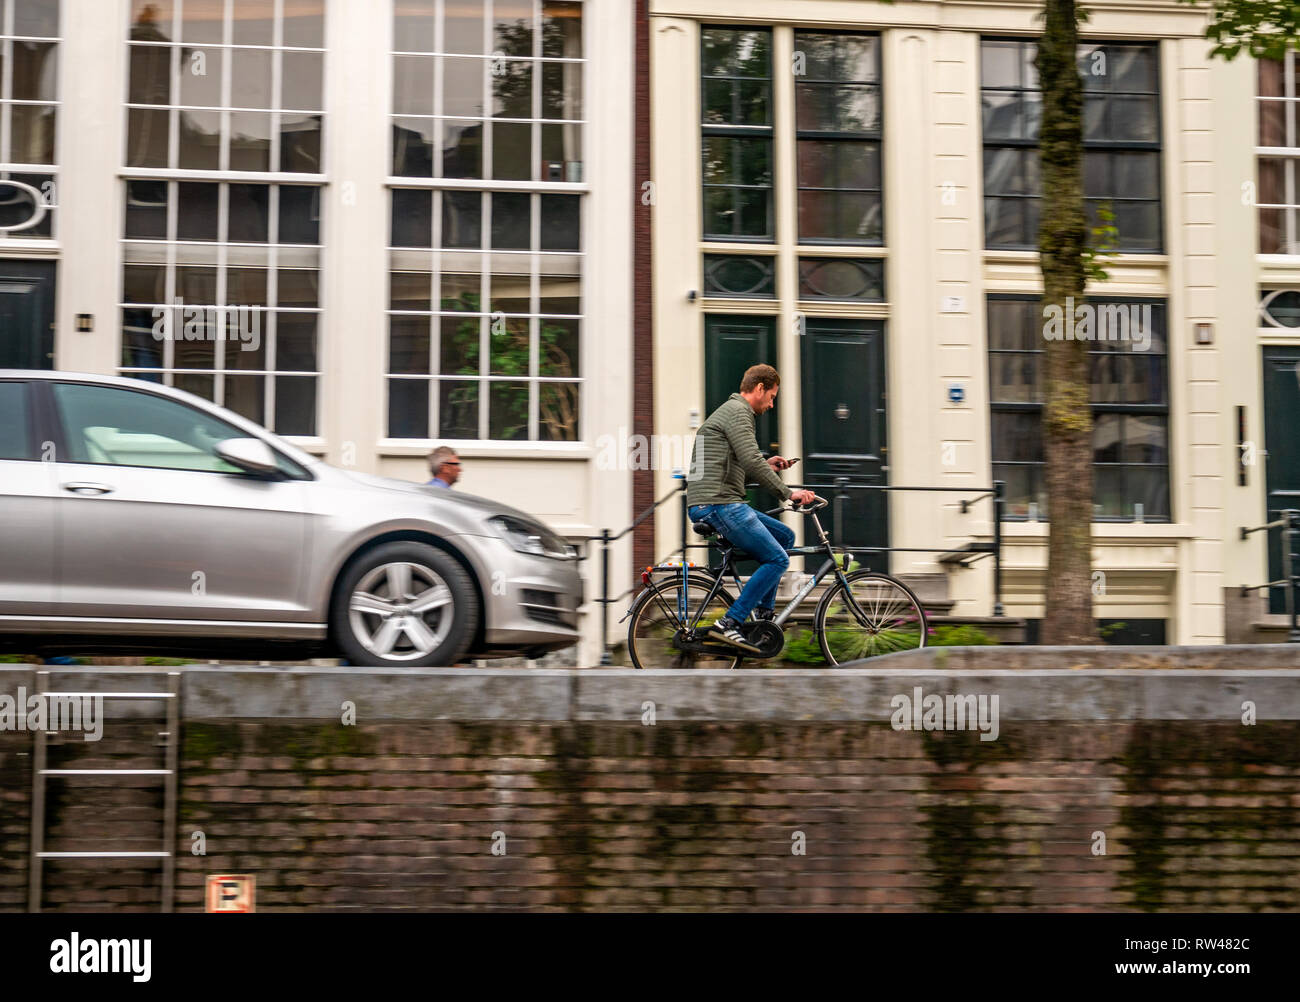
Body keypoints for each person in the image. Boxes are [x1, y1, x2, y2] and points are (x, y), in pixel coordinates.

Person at [686, 364, 815, 652]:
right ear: (759, 388)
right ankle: (730, 623)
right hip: (718, 504)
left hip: (715, 500)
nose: (771, 404)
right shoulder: (738, 413)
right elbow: (751, 460)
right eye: (771, 397)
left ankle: (764, 619)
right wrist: (788, 493)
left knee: (784, 539)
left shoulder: (730, 413)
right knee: (779, 560)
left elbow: (733, 464)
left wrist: (768, 465)